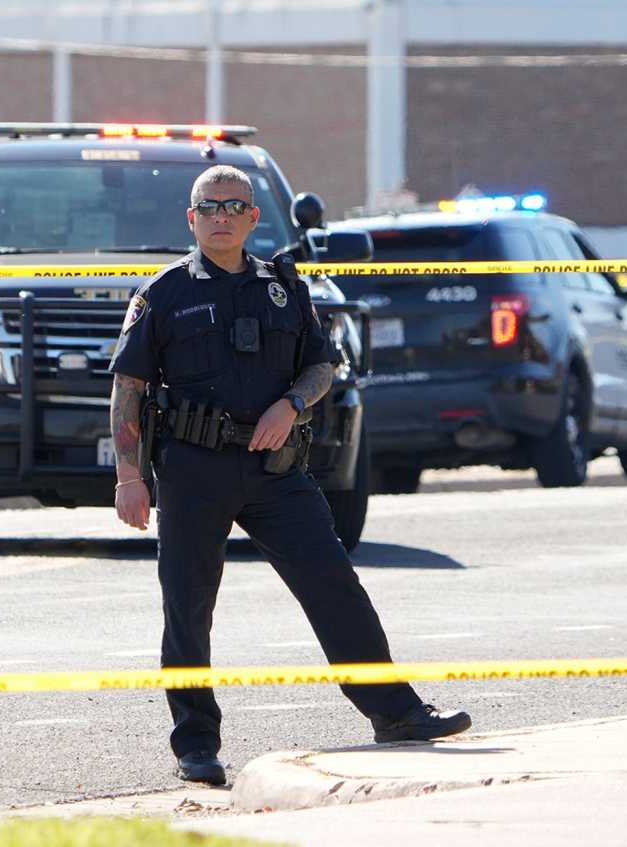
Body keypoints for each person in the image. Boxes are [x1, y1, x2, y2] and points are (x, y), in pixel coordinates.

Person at [109, 164, 471, 786]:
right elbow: (129, 387)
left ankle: (396, 713)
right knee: (188, 607)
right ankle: (196, 744)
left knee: (334, 585)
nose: (221, 217)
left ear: (253, 218)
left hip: (275, 470)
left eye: (233, 207)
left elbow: (321, 367)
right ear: (191, 219)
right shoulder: (163, 294)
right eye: (209, 207)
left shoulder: (283, 287)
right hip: (194, 468)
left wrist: (292, 404)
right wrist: (129, 476)